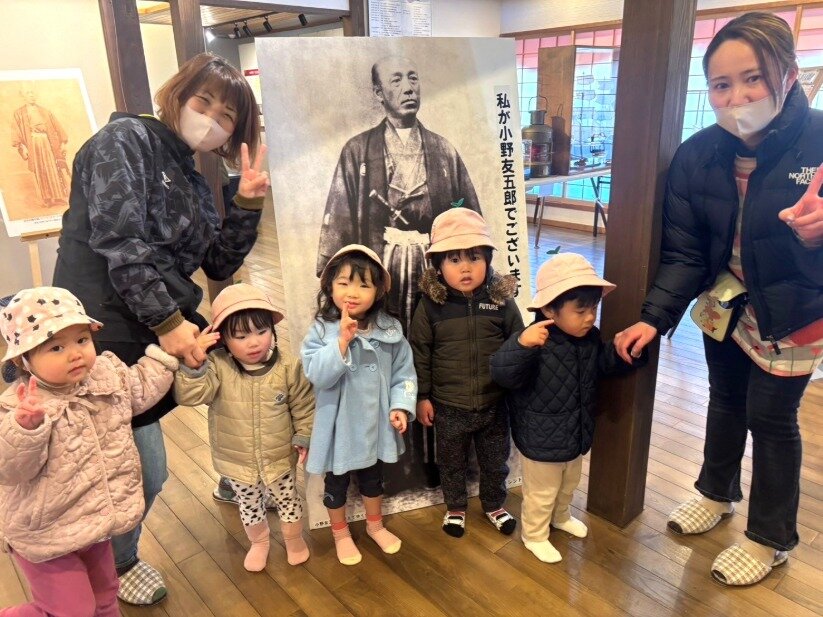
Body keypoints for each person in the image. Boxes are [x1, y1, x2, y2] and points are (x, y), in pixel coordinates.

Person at [614, 12, 823, 587]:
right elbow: (685, 253)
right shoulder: (698, 154)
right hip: (725, 304)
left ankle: (770, 538)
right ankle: (715, 492)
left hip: (796, 312)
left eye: (753, 78)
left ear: (788, 75)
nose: (737, 98)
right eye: (721, 85)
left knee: (772, 419)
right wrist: (653, 318)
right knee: (725, 401)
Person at [52, 53, 268, 605]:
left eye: (226, 115)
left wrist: (246, 202)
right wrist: (169, 324)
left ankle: (236, 477)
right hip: (101, 332)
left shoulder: (189, 173)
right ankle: (116, 560)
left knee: (234, 380)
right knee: (140, 468)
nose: (211, 119)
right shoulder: (124, 140)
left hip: (151, 325)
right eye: (204, 101)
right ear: (177, 94)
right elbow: (121, 244)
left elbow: (215, 262)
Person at [0, 287, 180, 616]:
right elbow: (9, 469)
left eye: (82, 340)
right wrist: (25, 428)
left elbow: (139, 387)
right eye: (56, 347)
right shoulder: (19, 407)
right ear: (22, 359)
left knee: (105, 594)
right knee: (72, 609)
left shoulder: (105, 375)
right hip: (45, 536)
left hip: (94, 523)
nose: (75, 354)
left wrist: (166, 357)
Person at [490, 254, 646, 564]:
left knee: (568, 484)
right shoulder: (534, 340)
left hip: (575, 433)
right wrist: (521, 344)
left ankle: (560, 516)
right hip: (540, 439)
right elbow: (502, 373)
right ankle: (534, 535)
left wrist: (625, 352)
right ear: (549, 309)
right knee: (542, 493)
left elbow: (601, 365)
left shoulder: (589, 338)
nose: (590, 317)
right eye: (580, 310)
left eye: (594, 309)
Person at [174, 283, 315, 572]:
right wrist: (195, 361)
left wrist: (304, 436)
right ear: (222, 338)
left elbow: (303, 405)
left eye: (261, 331)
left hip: (279, 456)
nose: (253, 343)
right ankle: (259, 542)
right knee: (249, 505)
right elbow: (190, 395)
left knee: (288, 499)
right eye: (240, 336)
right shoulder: (217, 366)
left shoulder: (288, 367)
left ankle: (294, 538)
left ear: (272, 329)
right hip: (236, 459)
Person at [408, 208, 524, 538]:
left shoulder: (501, 301)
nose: (465, 267)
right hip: (448, 405)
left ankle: (494, 504)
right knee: (451, 461)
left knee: (495, 460)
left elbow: (518, 342)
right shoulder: (430, 305)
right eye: (454, 259)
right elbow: (419, 352)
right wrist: (422, 396)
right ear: (438, 265)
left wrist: (516, 386)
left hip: (494, 403)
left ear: (487, 259)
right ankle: (455, 507)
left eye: (474, 257)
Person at [301, 244, 417, 566]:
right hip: (338, 426)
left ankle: (375, 526)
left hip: (375, 424)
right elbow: (316, 374)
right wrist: (341, 342)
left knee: (373, 479)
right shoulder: (321, 330)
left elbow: (404, 374)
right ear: (330, 287)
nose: (352, 292)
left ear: (378, 291)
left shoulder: (390, 331)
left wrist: (400, 406)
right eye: (343, 283)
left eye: (364, 284)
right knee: (336, 483)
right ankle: (340, 533)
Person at [11, 84, 70, 207]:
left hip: (48, 143)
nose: (31, 95)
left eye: (33, 93)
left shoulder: (45, 111)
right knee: (40, 170)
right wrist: (23, 147)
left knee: (53, 168)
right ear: (23, 96)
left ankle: (58, 197)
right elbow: (16, 132)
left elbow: (57, 127)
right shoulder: (19, 113)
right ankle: (47, 199)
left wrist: (63, 143)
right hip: (33, 144)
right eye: (28, 93)